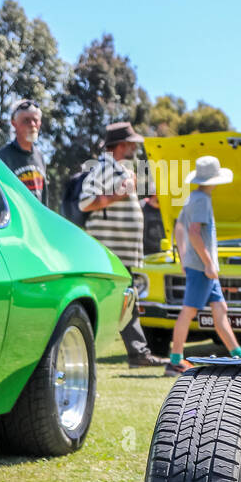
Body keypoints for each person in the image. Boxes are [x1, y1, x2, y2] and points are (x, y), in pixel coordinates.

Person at [167, 155, 241, 375]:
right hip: (203, 268)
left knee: (220, 309)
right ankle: (175, 361)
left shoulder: (193, 197)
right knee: (188, 311)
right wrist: (207, 264)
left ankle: (239, 356)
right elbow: (194, 233)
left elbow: (179, 229)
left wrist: (185, 260)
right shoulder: (201, 200)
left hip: (200, 266)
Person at [79, 121, 167, 367]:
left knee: (127, 298)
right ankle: (137, 353)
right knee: (121, 298)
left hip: (120, 251)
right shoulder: (102, 168)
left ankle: (138, 353)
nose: (134, 148)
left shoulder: (118, 169)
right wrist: (118, 194)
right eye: (131, 144)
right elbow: (85, 203)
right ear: (120, 145)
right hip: (110, 250)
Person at [0, 99, 50, 211]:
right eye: (26, 120)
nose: (32, 124)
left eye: (35, 120)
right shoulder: (0, 158)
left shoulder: (40, 157)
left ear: (40, 123)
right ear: (14, 123)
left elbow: (44, 199)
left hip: (37, 219)